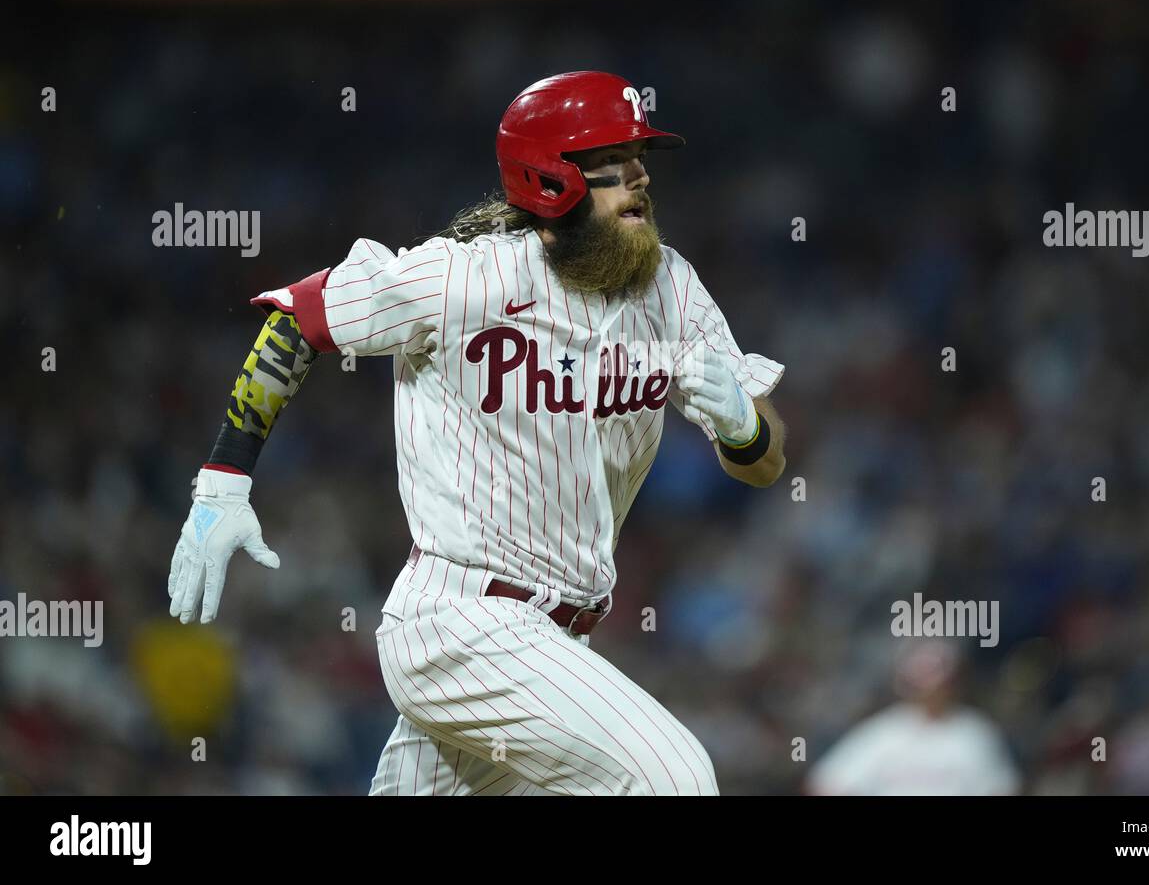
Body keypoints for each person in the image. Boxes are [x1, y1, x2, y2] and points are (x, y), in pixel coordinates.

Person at [166, 71, 787, 795]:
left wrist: (745, 429)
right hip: (460, 623)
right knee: (673, 779)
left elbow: (766, 465)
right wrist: (222, 482)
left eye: (643, 159)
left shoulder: (670, 288)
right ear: (552, 179)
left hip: (551, 640)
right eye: (616, 163)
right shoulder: (465, 279)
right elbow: (298, 316)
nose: (641, 180)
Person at [807, 642, 1019, 795]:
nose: (933, 691)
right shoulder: (886, 730)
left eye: (940, 682)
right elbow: (827, 783)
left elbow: (1001, 788)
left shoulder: (975, 732)